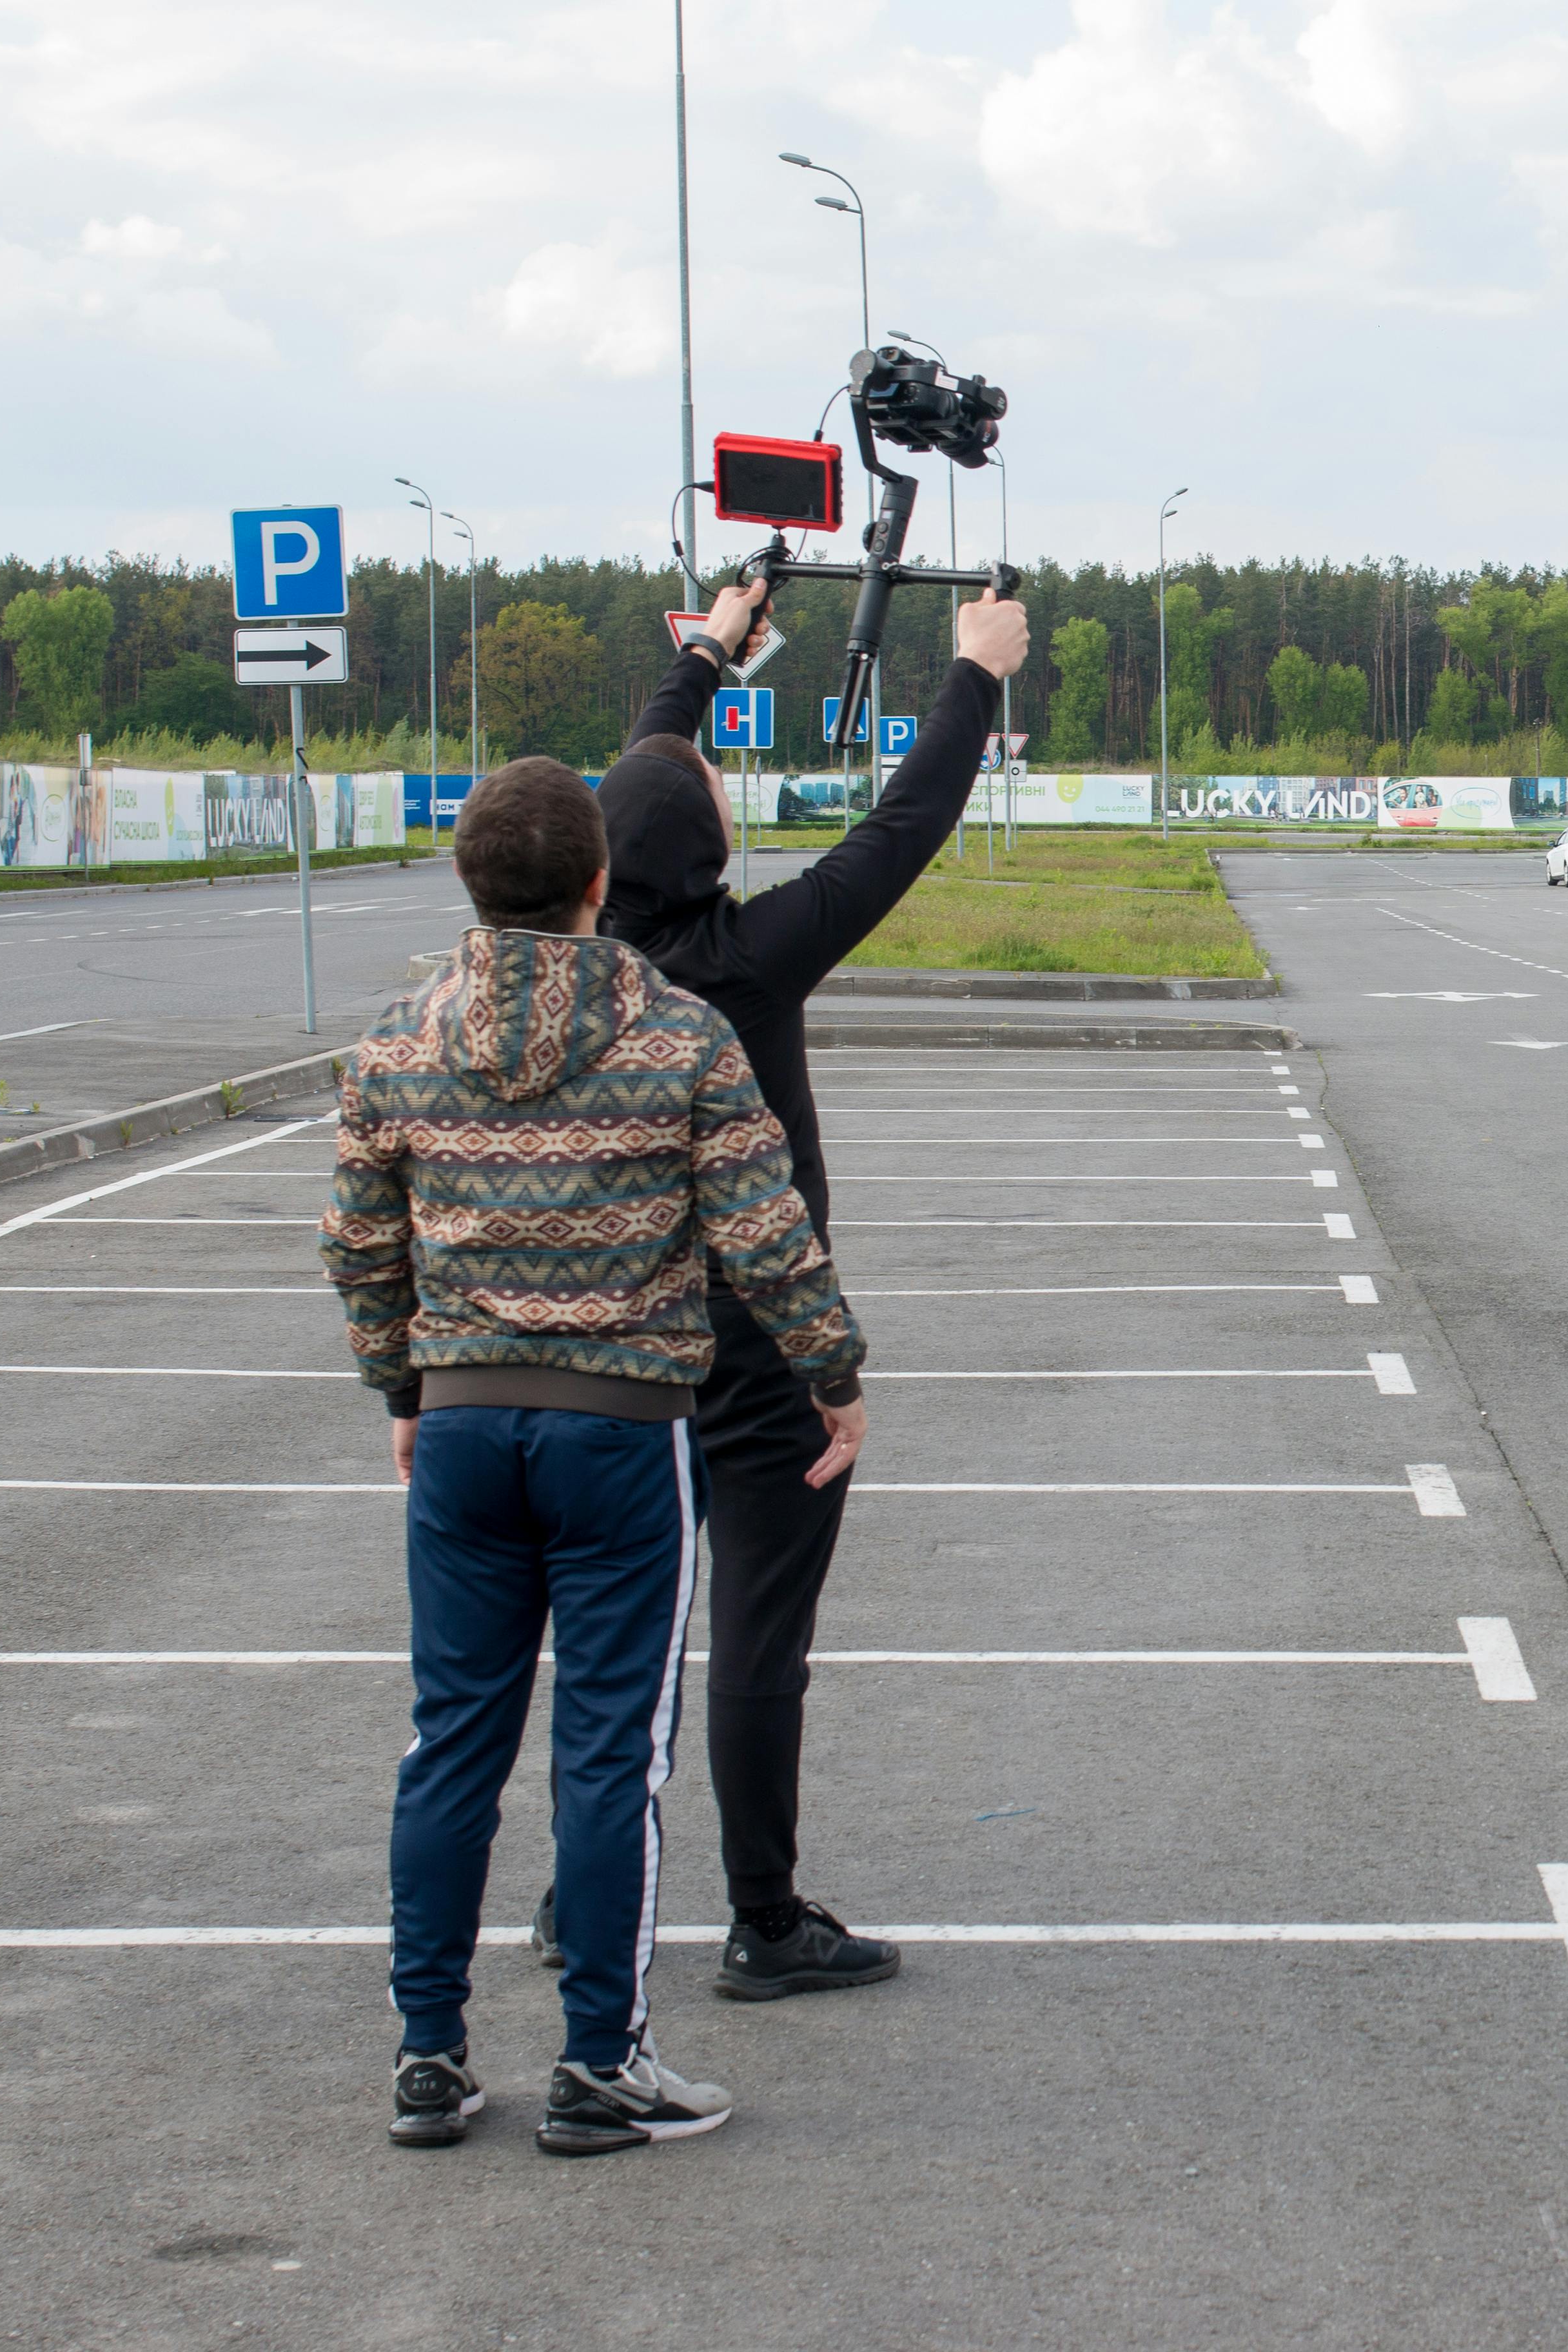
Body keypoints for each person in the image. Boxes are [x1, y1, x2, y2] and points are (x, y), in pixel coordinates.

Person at [324, 757, 868, 2153]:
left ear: (467, 879)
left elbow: (359, 1245)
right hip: (623, 1431)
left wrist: (403, 1384)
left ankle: (429, 2055)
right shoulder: (680, 1036)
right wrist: (832, 1373)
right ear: (597, 883)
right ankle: (601, 2062)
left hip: (462, 1424)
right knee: (609, 1754)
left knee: (452, 1741)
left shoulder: (396, 1040)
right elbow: (763, 1230)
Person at [562, 576, 1029, 1999]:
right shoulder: (750, 964)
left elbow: (638, 785)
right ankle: (763, 1921)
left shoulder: (581, 971)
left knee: (620, 1640)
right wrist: (975, 671)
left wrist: (711, 653)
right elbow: (904, 829)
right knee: (759, 1636)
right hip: (759, 1351)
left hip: (611, 1344)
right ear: (710, 844)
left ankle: (586, 1886)